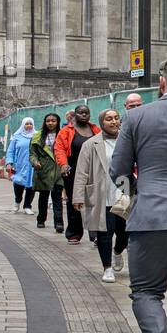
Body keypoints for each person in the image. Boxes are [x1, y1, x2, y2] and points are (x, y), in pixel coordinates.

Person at [109, 59, 167, 333]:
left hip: (152, 217)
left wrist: (138, 195)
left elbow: (118, 169)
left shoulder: (136, 117)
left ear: (162, 82)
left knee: (147, 292)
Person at [74, 108, 132, 284]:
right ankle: (107, 267)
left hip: (124, 193)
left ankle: (117, 252)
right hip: (102, 194)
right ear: (101, 123)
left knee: (125, 232)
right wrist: (78, 196)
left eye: (116, 118)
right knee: (105, 232)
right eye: (109, 119)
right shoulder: (91, 144)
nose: (114, 122)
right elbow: (82, 171)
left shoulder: (127, 140)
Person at [54, 104, 101, 244]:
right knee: (74, 201)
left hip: (93, 169)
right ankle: (74, 233)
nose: (84, 115)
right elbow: (59, 149)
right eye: (81, 113)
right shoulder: (66, 131)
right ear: (75, 115)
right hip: (72, 170)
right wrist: (63, 164)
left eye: (87, 113)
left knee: (94, 201)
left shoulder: (96, 130)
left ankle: (95, 234)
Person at [30, 113, 65, 232]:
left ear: (58, 122)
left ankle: (59, 223)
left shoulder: (63, 134)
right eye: (48, 121)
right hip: (43, 170)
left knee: (57, 198)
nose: (50, 123)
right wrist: (35, 162)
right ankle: (41, 219)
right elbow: (32, 153)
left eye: (53, 121)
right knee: (43, 198)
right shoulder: (37, 136)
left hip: (58, 170)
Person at [6, 117, 36, 214]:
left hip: (33, 166)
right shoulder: (17, 136)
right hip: (19, 165)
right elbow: (11, 151)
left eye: (30, 124)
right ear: (23, 125)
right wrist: (9, 163)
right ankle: (17, 202)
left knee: (31, 186)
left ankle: (27, 206)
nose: (29, 126)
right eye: (26, 124)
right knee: (18, 184)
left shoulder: (36, 136)